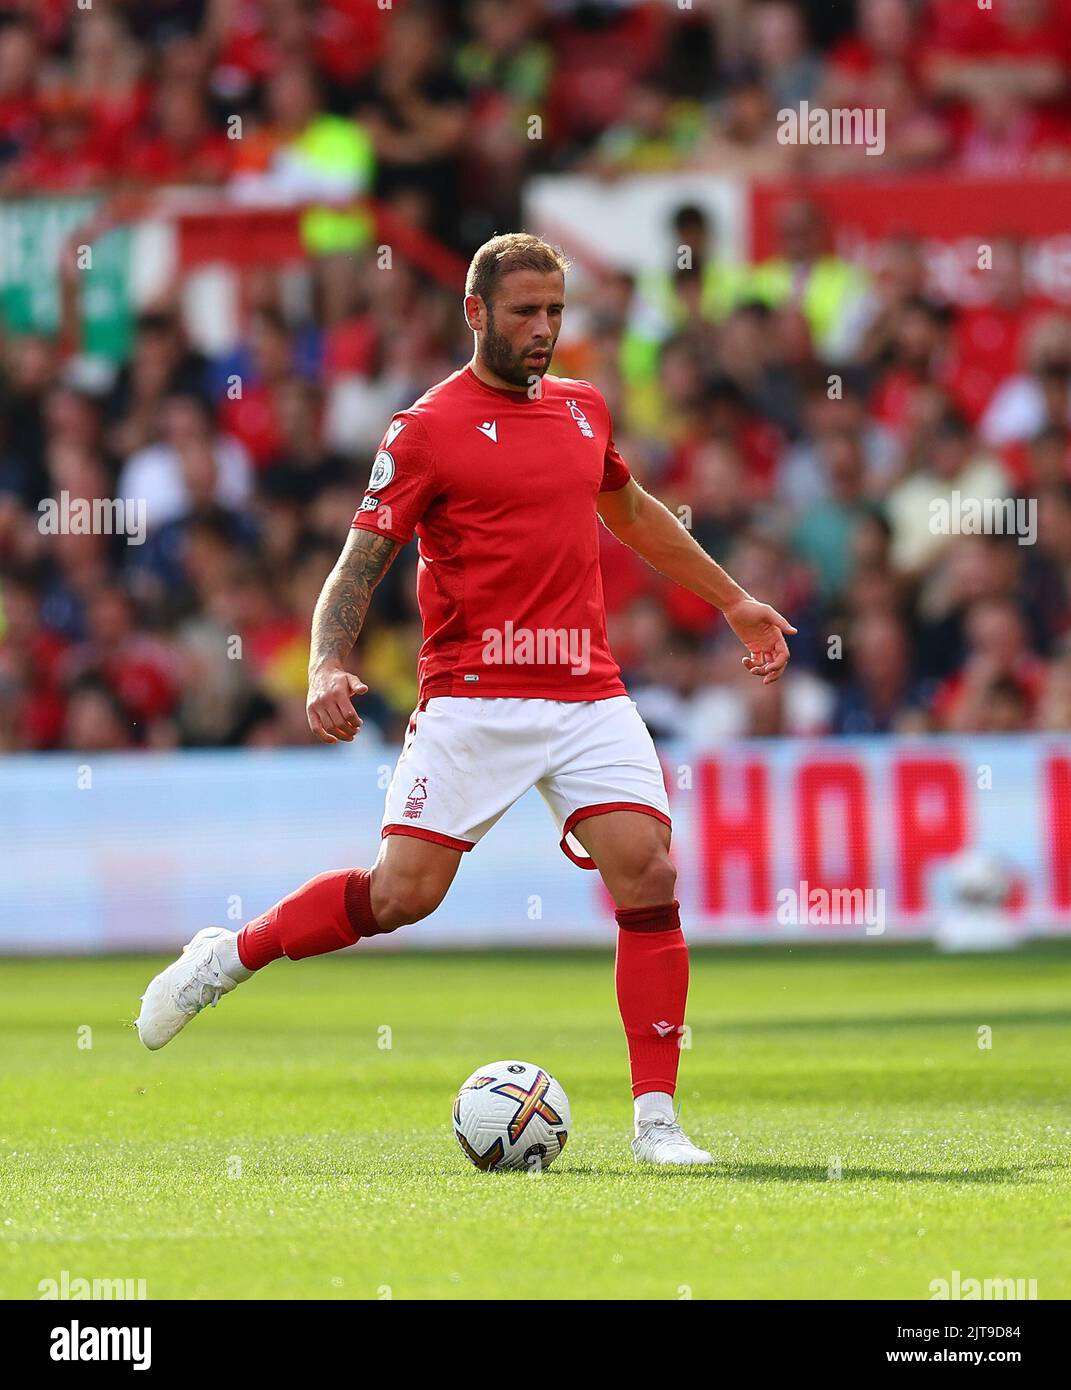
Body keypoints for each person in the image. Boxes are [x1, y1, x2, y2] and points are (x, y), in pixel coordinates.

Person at [135, 234, 796, 1166]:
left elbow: (633, 511)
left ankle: (656, 1124)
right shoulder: (425, 429)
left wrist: (731, 600)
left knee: (648, 874)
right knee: (400, 896)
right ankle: (229, 955)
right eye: (525, 312)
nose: (543, 329)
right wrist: (325, 664)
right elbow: (357, 565)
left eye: (555, 311)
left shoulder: (582, 407)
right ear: (476, 313)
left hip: (587, 692)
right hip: (474, 697)